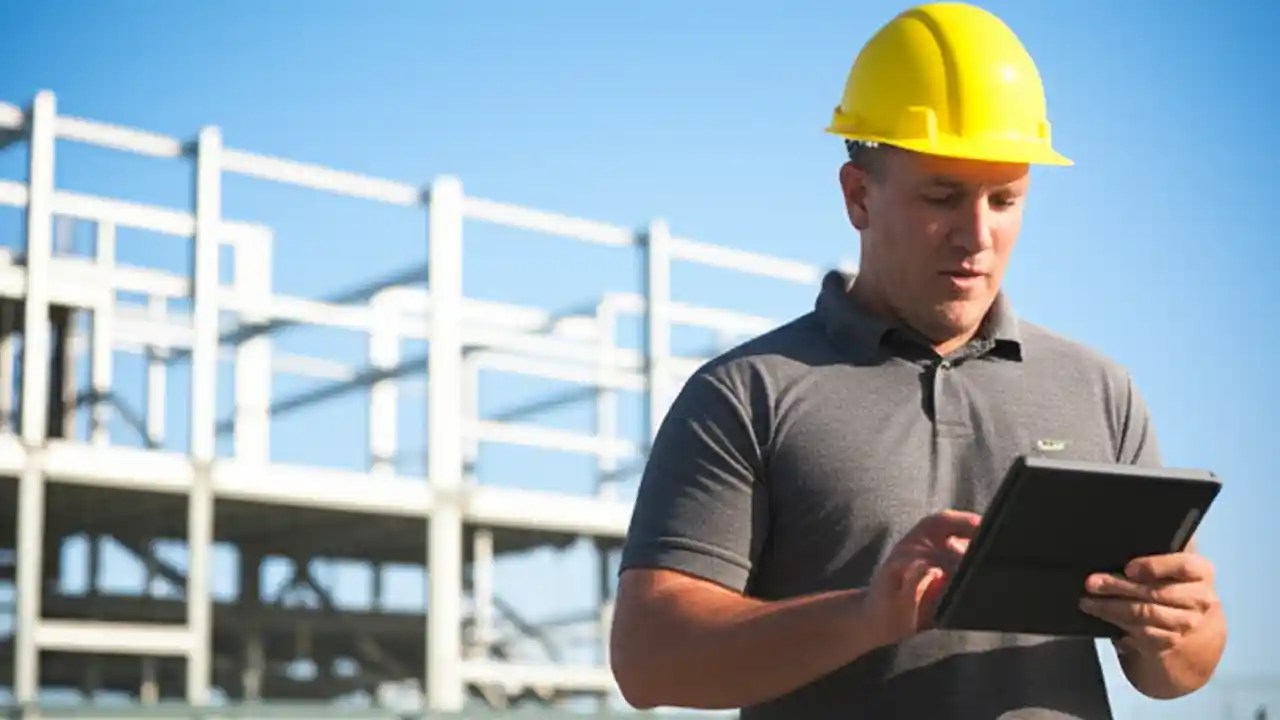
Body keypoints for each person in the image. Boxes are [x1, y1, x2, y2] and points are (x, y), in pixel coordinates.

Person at [608, 2, 1227, 718]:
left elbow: (1174, 673)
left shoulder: (1099, 391)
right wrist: (867, 616)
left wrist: (1182, 628)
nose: (977, 234)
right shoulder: (747, 394)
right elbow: (649, 663)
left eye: (1005, 199)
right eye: (943, 196)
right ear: (858, 195)